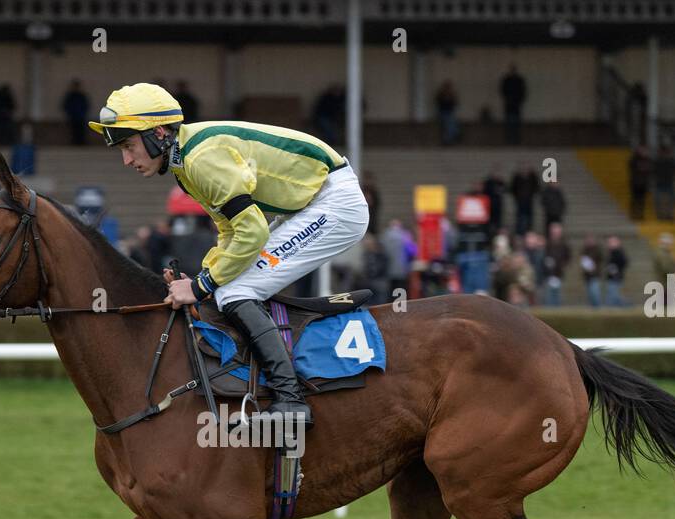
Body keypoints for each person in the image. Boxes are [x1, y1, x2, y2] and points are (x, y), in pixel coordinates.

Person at [89, 82, 369, 428]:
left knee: (235, 290)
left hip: (334, 205)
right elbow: (230, 231)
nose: (127, 159)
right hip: (310, 203)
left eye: (129, 146)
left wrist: (201, 285)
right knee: (226, 285)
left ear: (159, 133)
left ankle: (291, 400)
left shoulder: (201, 159)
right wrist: (201, 278)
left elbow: (252, 231)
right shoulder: (184, 163)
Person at [541, 223, 571, 307]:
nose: (555, 234)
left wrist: (563, 265)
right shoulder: (547, 244)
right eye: (554, 232)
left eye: (557, 232)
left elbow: (568, 257)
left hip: (559, 274)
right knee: (548, 300)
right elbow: (542, 257)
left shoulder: (564, 245)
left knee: (558, 300)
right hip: (548, 274)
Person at [510, 164, 539, 236]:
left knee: (529, 220)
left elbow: (537, 187)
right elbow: (512, 188)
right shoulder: (517, 178)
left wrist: (534, 174)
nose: (525, 171)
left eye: (526, 169)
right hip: (520, 203)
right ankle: (519, 234)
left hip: (529, 202)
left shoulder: (531, 178)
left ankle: (529, 234)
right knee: (519, 220)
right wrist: (517, 197)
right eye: (523, 169)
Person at [500, 65, 526, 145]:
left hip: (516, 104)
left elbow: (523, 91)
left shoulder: (519, 80)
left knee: (516, 123)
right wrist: (508, 99)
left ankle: (516, 139)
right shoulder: (507, 80)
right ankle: (509, 139)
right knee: (509, 123)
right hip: (509, 104)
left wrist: (518, 100)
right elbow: (503, 90)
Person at [653, 144, 675, 221]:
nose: (665, 154)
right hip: (660, 183)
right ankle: (662, 215)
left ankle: (669, 215)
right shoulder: (657, 161)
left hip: (669, 183)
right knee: (660, 201)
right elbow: (654, 172)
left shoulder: (672, 161)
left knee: (669, 201)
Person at [62, 80, 89, 145]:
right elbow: (65, 105)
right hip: (73, 117)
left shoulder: (81, 96)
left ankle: (81, 143)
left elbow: (86, 105)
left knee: (81, 131)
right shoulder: (70, 96)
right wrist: (70, 113)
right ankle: (74, 143)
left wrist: (82, 113)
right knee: (73, 131)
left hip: (81, 117)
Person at [628, 145, 651, 221]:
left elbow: (649, 170)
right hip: (635, 183)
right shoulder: (634, 160)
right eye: (642, 150)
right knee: (635, 199)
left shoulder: (647, 160)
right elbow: (633, 169)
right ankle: (634, 214)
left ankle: (640, 214)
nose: (644, 152)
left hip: (643, 183)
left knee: (642, 200)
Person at [603, 235, 627, 307]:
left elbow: (624, 262)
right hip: (611, 278)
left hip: (616, 278)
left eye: (612, 242)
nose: (610, 244)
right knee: (613, 296)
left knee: (613, 297)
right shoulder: (611, 253)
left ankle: (627, 306)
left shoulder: (618, 252)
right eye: (609, 242)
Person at [579, 235, 603, 307]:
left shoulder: (598, 250)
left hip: (595, 275)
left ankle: (597, 307)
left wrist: (595, 268)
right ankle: (593, 307)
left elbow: (601, 261)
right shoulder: (584, 250)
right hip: (587, 275)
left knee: (595, 292)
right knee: (590, 293)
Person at [482, 166, 506, 235]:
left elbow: (505, 190)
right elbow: (485, 193)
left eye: (498, 173)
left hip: (498, 207)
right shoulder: (488, 183)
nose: (496, 175)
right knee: (488, 224)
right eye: (495, 173)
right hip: (489, 207)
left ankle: (496, 237)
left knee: (498, 223)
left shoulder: (501, 182)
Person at [435, 81, 459, 146]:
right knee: (447, 124)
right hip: (443, 113)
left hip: (450, 112)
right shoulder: (441, 94)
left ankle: (449, 139)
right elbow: (439, 103)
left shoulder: (452, 95)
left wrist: (450, 98)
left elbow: (455, 103)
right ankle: (447, 140)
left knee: (451, 124)